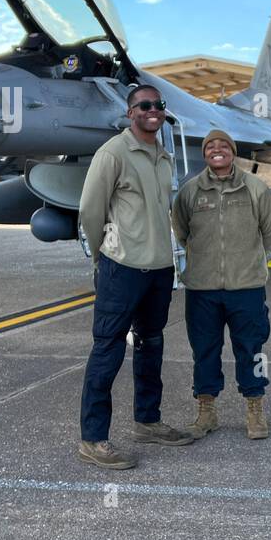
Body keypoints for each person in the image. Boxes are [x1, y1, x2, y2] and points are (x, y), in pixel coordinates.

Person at [77, 84, 195, 469]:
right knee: (108, 348)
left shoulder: (163, 156)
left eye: (158, 105)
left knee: (151, 344)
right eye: (144, 105)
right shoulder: (113, 152)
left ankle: (148, 420)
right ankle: (93, 439)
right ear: (131, 113)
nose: (153, 111)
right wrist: (101, 256)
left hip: (159, 270)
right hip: (122, 269)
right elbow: (91, 212)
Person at [172, 130, 271, 440]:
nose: (216, 150)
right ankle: (207, 411)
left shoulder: (255, 189)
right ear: (205, 154)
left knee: (252, 349)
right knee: (204, 351)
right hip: (202, 289)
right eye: (210, 146)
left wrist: (248, 260)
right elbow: (181, 231)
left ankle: (255, 408)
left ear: (232, 153)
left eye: (223, 146)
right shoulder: (190, 192)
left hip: (247, 287)